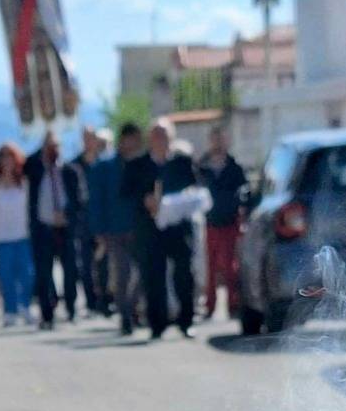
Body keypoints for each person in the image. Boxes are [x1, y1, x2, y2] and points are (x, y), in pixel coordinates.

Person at [122, 119, 197, 340]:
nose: (160, 140)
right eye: (156, 136)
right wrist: (145, 200)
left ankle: (186, 321)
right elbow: (126, 192)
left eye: (164, 135)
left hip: (178, 229)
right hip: (150, 230)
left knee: (184, 276)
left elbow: (195, 187)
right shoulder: (137, 165)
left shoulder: (182, 162)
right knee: (153, 278)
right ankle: (157, 325)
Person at [88, 122, 142, 336]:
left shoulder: (141, 164)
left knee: (144, 272)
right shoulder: (104, 166)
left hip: (139, 228)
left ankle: (133, 306)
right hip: (115, 229)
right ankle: (125, 315)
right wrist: (99, 230)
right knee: (121, 274)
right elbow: (96, 200)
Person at [26, 130, 81, 329]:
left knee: (70, 270)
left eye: (56, 146)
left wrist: (67, 215)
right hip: (43, 229)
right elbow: (27, 164)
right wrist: (43, 149)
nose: (53, 150)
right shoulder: (35, 171)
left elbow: (79, 200)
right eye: (49, 147)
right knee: (44, 272)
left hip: (65, 229)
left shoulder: (70, 171)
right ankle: (47, 313)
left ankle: (71, 308)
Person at [0, 143, 34, 326]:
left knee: (27, 274)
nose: (7, 161)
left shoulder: (24, 183)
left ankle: (25, 305)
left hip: (23, 235)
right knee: (6, 276)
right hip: (1, 237)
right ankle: (10, 310)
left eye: (10, 157)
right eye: (3, 157)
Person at [198, 125, 247, 319]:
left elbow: (244, 191)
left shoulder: (234, 167)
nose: (218, 143)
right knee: (209, 266)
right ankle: (210, 304)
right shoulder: (201, 167)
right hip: (209, 222)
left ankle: (232, 304)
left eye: (221, 139)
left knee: (230, 265)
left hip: (230, 221)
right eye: (215, 138)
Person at [66, 126, 99, 315]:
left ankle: (104, 300)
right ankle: (90, 301)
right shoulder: (73, 166)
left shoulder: (104, 163)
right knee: (85, 264)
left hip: (102, 220)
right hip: (83, 223)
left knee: (104, 264)